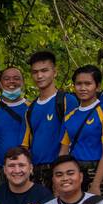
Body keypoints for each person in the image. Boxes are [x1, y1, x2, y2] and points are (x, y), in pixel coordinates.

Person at [58, 66, 103, 196]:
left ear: (98, 86)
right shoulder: (69, 116)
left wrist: (96, 184)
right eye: (79, 84)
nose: (83, 88)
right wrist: (59, 180)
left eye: (88, 83)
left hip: (96, 171)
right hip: (73, 171)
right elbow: (63, 151)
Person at [28, 51, 70, 190]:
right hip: (35, 169)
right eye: (35, 72)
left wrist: (59, 169)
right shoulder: (31, 107)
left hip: (59, 168)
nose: (39, 76)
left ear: (55, 72)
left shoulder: (66, 100)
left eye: (44, 70)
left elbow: (69, 136)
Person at [0, 66, 31, 188]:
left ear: (22, 82)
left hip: (25, 168)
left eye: (16, 78)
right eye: (7, 79)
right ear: (1, 84)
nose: (11, 82)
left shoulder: (32, 108)